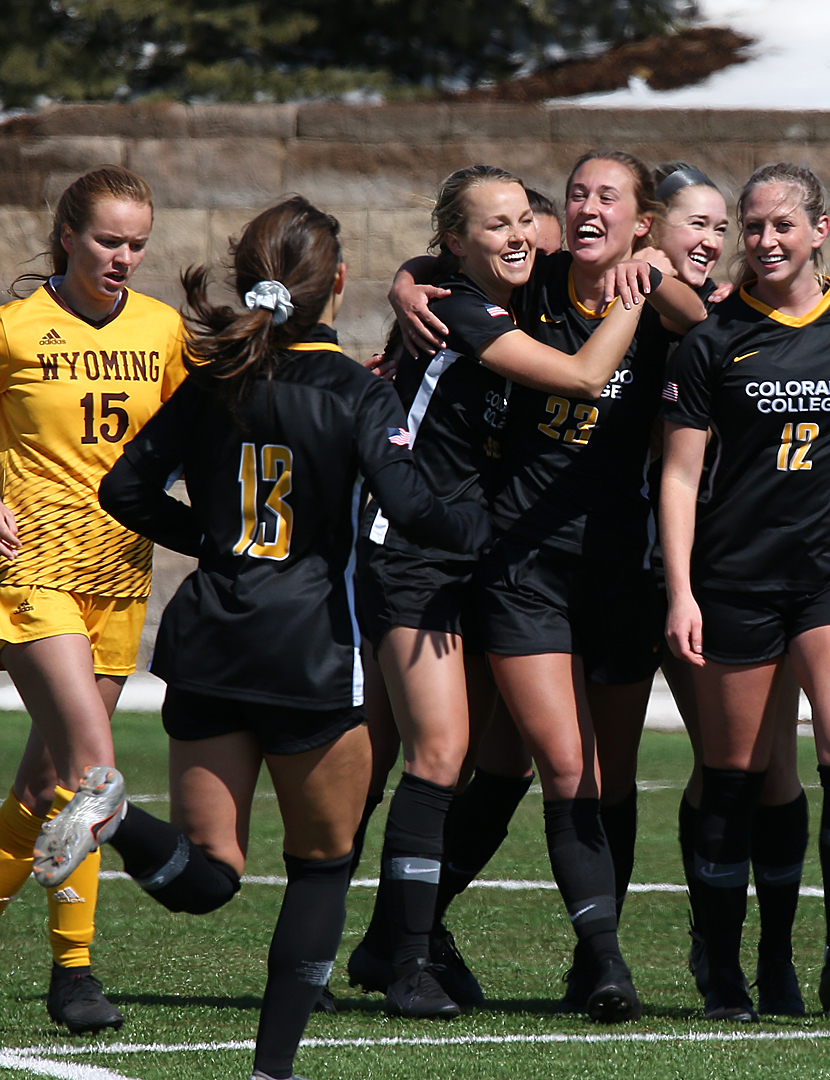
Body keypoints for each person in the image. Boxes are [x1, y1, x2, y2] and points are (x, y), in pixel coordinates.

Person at [98, 194, 491, 1080]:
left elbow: (124, 490)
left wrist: (210, 538)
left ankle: (116, 820)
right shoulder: (358, 391)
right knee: (322, 867)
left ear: (249, 282)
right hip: (311, 652)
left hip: (209, 644)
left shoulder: (212, 381)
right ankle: (272, 1071)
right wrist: (487, 528)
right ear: (339, 284)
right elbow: (416, 510)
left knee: (209, 873)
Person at [345, 164, 661, 1021]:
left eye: (527, 218)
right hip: (414, 553)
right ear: (456, 241)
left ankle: (403, 939)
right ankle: (392, 954)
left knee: (495, 763)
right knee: (422, 762)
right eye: (496, 225)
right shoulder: (459, 303)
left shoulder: (519, 282)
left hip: (475, 554)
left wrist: (656, 261)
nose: (520, 234)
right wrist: (637, 294)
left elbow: (597, 253)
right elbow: (586, 378)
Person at [0, 164, 186, 1036]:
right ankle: (74, 974)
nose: (124, 257)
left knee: (44, 788)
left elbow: (196, 430)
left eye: (138, 243)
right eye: (109, 240)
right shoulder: (12, 329)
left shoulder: (161, 328)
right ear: (67, 235)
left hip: (120, 572)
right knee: (93, 774)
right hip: (35, 572)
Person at [659, 161, 830, 1022]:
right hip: (735, 577)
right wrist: (681, 591)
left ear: (819, 230)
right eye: (751, 227)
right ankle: (728, 965)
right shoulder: (711, 337)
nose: (763, 241)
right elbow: (680, 476)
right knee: (736, 771)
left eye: (780, 227)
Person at [648, 160, 807, 1016]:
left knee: (750, 760)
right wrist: (415, 278)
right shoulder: (619, 286)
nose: (710, 241)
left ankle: (745, 962)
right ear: (649, 229)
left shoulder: (730, 313)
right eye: (693, 225)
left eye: (722, 225)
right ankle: (607, 955)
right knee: (576, 771)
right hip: (609, 565)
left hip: (720, 569)